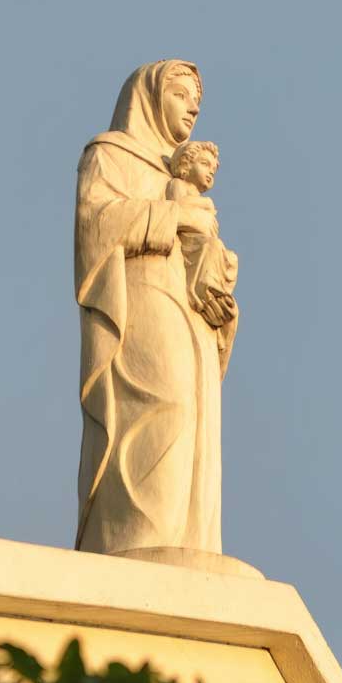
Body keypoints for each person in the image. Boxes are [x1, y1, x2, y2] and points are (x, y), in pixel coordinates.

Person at [74, 61, 238, 558]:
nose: (192, 106)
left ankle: (189, 543)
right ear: (149, 98)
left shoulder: (180, 172)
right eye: (181, 94)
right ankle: (140, 540)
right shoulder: (110, 155)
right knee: (163, 406)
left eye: (197, 101)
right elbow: (94, 223)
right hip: (140, 296)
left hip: (187, 309)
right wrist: (173, 216)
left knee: (198, 418)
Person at [165, 139, 239, 377]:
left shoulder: (199, 196)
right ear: (187, 164)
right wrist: (204, 205)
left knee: (230, 258)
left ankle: (216, 292)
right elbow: (178, 206)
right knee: (209, 246)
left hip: (205, 244)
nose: (210, 172)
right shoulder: (179, 185)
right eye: (205, 164)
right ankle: (204, 291)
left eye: (213, 169)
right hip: (192, 244)